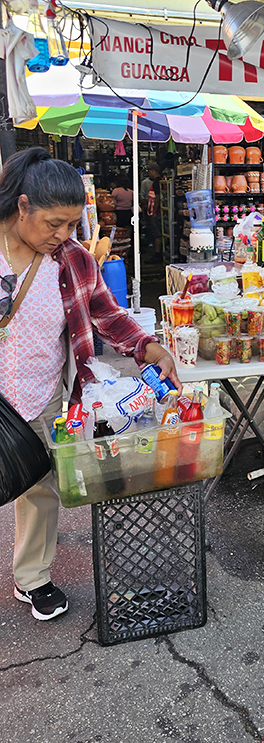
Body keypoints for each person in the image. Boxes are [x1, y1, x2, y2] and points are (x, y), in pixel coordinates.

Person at [0, 148, 180, 621]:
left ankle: (32, 579)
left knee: (38, 486)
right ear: (22, 208)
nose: (62, 235)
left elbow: (107, 316)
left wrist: (150, 347)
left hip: (41, 394)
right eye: (53, 224)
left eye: (70, 225)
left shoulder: (72, 259)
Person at [146, 161, 163, 263]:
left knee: (157, 233)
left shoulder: (157, 182)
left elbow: (157, 197)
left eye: (149, 171)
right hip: (155, 211)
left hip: (156, 212)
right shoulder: (159, 181)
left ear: (153, 171)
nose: (149, 174)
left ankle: (157, 255)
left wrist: (155, 211)